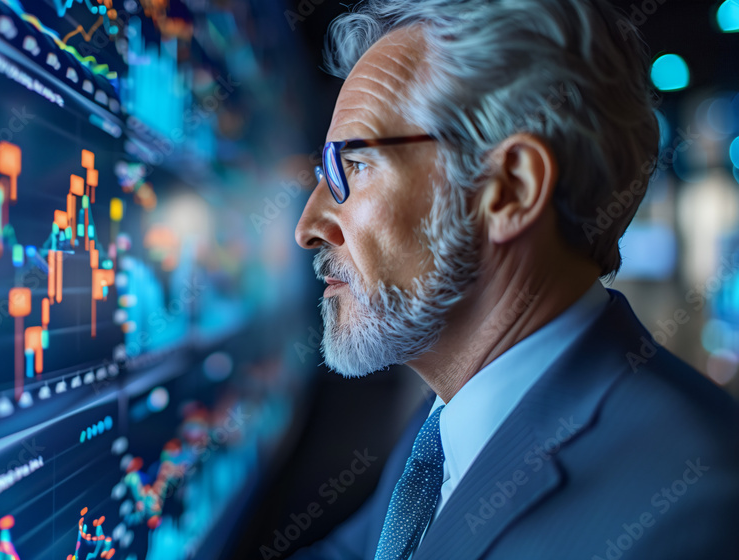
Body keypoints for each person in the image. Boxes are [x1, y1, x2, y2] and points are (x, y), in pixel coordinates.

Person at [291, 0, 739, 558]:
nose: (307, 227)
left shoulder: (689, 512)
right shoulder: (455, 413)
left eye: (355, 166)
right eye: (325, 172)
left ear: (512, 189)